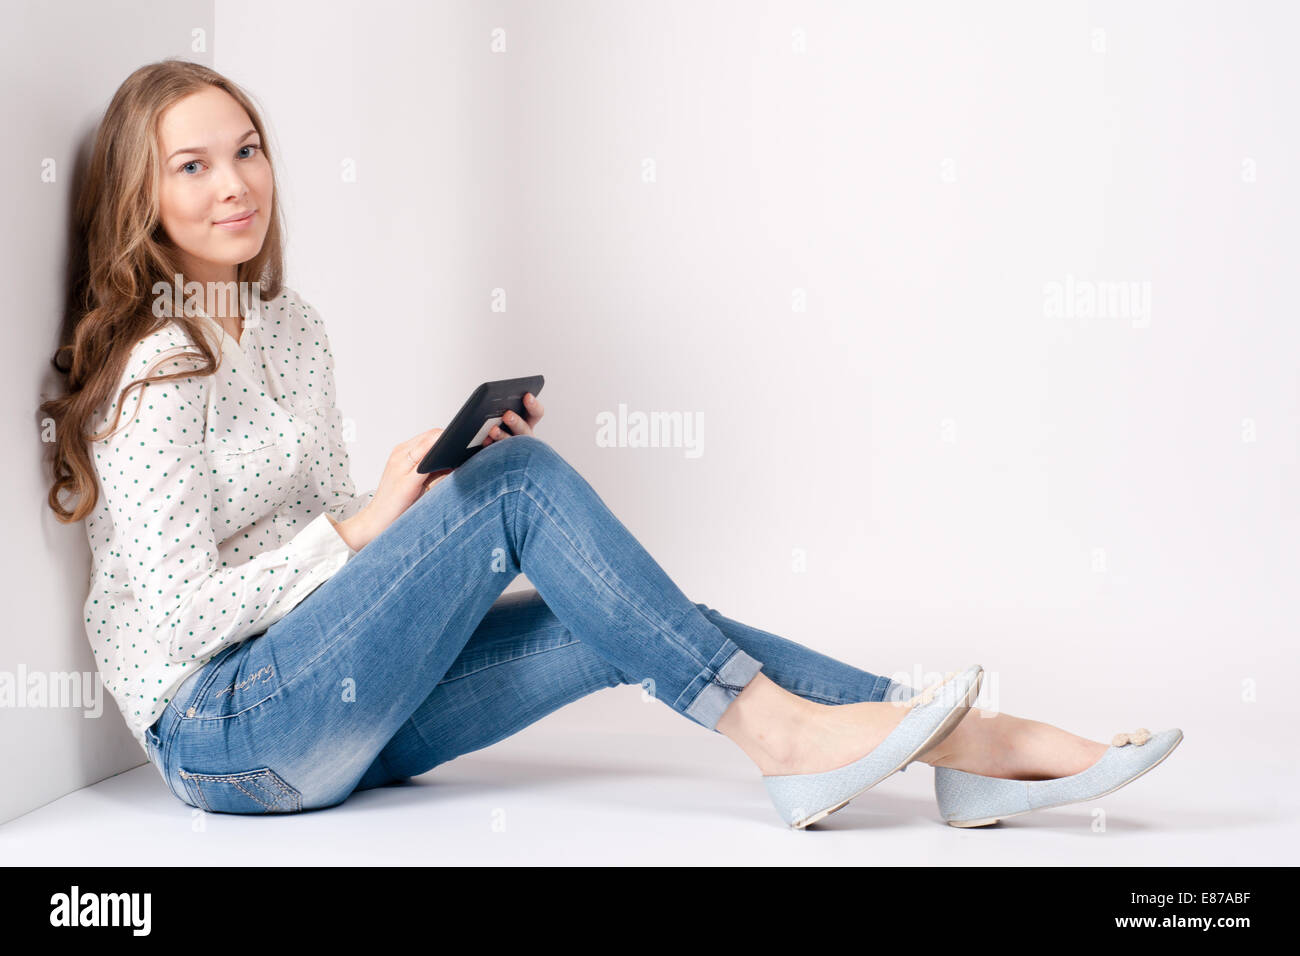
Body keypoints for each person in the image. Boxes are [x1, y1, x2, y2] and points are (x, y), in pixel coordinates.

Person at [41, 59, 1180, 830]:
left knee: (634, 616)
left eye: (246, 150)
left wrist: (415, 493)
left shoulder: (291, 328)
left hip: (335, 703)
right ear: (140, 195)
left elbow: (338, 550)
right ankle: (786, 737)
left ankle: (961, 744)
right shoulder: (153, 364)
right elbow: (190, 615)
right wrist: (371, 523)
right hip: (227, 734)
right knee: (521, 480)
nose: (235, 183)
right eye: (192, 166)